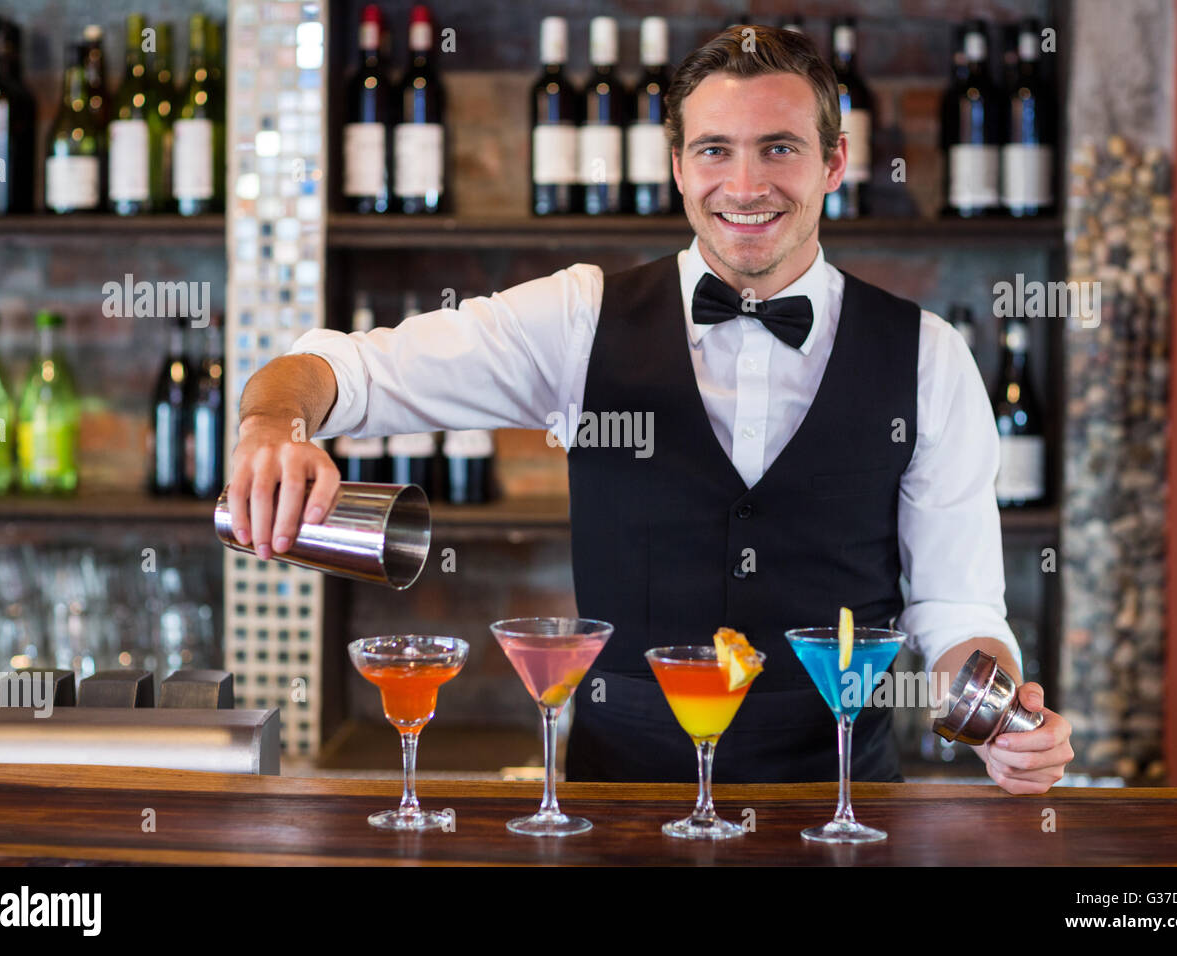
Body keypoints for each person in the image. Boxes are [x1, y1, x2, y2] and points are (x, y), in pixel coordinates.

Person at [227, 26, 1073, 792]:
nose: (745, 184)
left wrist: (1001, 717)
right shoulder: (577, 319)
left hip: (841, 803)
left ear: (835, 163)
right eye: (714, 150)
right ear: (676, 166)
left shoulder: (928, 355)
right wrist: (274, 424)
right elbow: (349, 371)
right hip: (617, 804)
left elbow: (956, 609)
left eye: (779, 148)